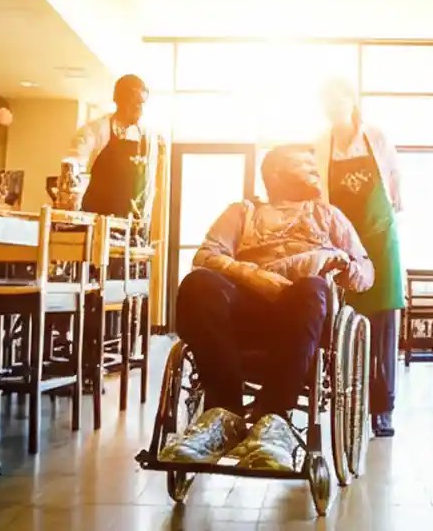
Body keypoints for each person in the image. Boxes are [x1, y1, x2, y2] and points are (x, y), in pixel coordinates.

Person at [165, 146, 374, 465]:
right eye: (304, 164)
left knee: (313, 288)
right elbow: (205, 256)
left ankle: (274, 417)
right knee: (198, 284)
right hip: (244, 306)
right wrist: (257, 276)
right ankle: (224, 416)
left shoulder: (329, 215)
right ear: (276, 174)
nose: (314, 171)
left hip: (301, 309)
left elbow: (367, 271)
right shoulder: (243, 212)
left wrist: (347, 267)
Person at [315, 77, 404, 437]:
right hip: (344, 243)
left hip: (381, 242)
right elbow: (321, 191)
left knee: (382, 326)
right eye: (327, 101)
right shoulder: (322, 144)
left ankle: (383, 409)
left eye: (339, 100)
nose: (334, 107)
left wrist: (393, 207)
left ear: (352, 102)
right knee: (344, 322)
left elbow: (395, 181)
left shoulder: (376, 137)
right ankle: (347, 400)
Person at [66, 74, 162, 224]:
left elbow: (149, 188)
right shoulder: (94, 131)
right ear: (118, 100)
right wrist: (74, 216)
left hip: (130, 226)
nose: (139, 109)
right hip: (94, 223)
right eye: (134, 103)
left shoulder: (147, 139)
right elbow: (75, 174)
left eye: (142, 104)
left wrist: (144, 221)